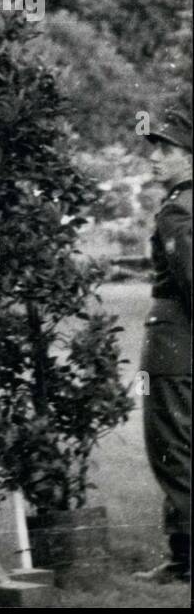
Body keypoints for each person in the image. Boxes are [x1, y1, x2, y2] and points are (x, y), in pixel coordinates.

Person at [134, 103, 192, 585]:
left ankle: (187, 561)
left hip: (175, 349)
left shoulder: (178, 210)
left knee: (173, 453)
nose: (156, 156)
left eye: (167, 148)